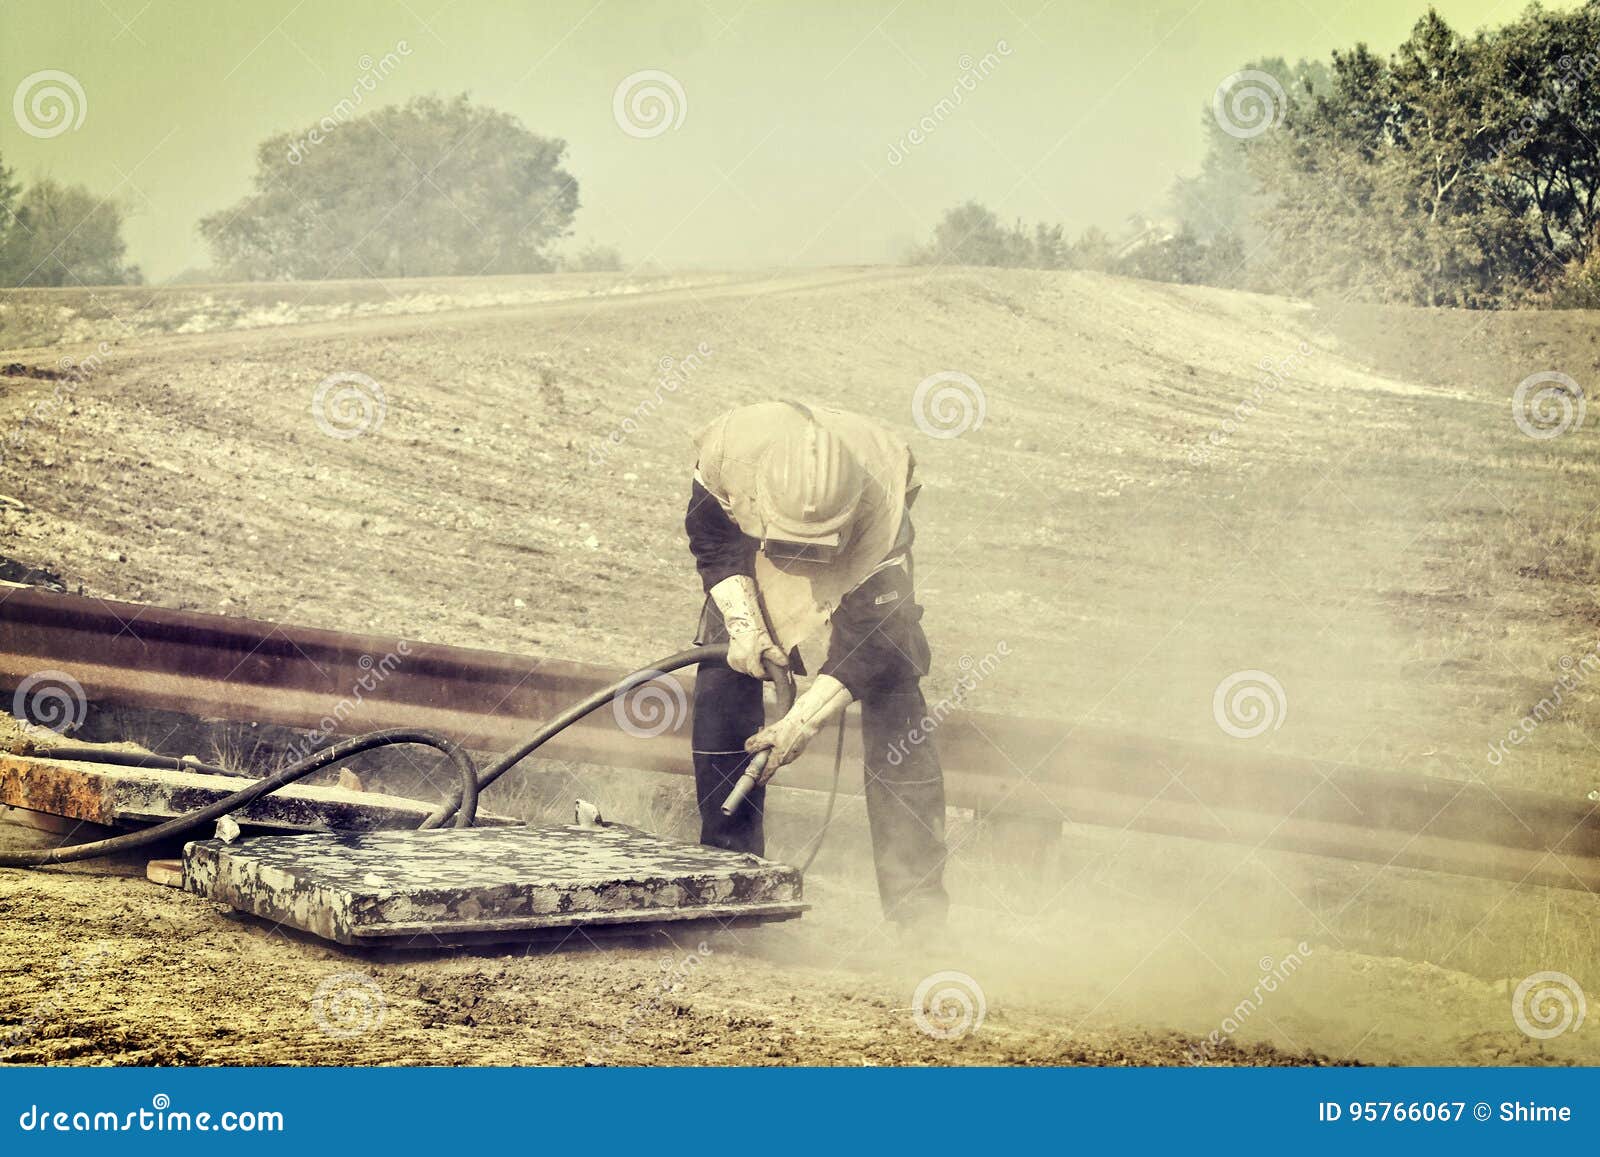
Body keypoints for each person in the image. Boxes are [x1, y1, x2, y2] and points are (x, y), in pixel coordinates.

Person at [684, 400, 947, 929]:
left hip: (861, 551)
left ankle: (918, 915)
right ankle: (730, 882)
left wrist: (801, 721)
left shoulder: (885, 513)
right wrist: (742, 625)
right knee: (724, 672)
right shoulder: (728, 457)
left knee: (895, 685)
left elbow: (872, 637)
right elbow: (712, 541)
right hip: (755, 542)